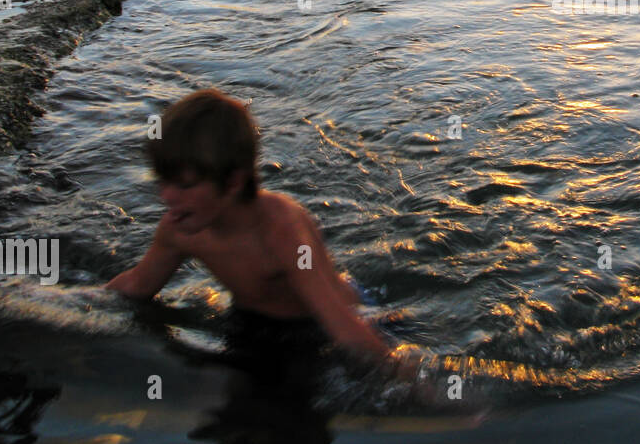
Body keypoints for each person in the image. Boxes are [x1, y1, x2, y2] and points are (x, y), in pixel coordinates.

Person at [107, 90, 416, 374]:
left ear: (232, 183)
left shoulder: (283, 233)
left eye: (185, 186)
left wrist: (408, 380)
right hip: (253, 323)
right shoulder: (180, 228)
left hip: (336, 318)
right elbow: (136, 285)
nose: (167, 198)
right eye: (163, 182)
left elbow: (339, 322)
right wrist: (71, 307)